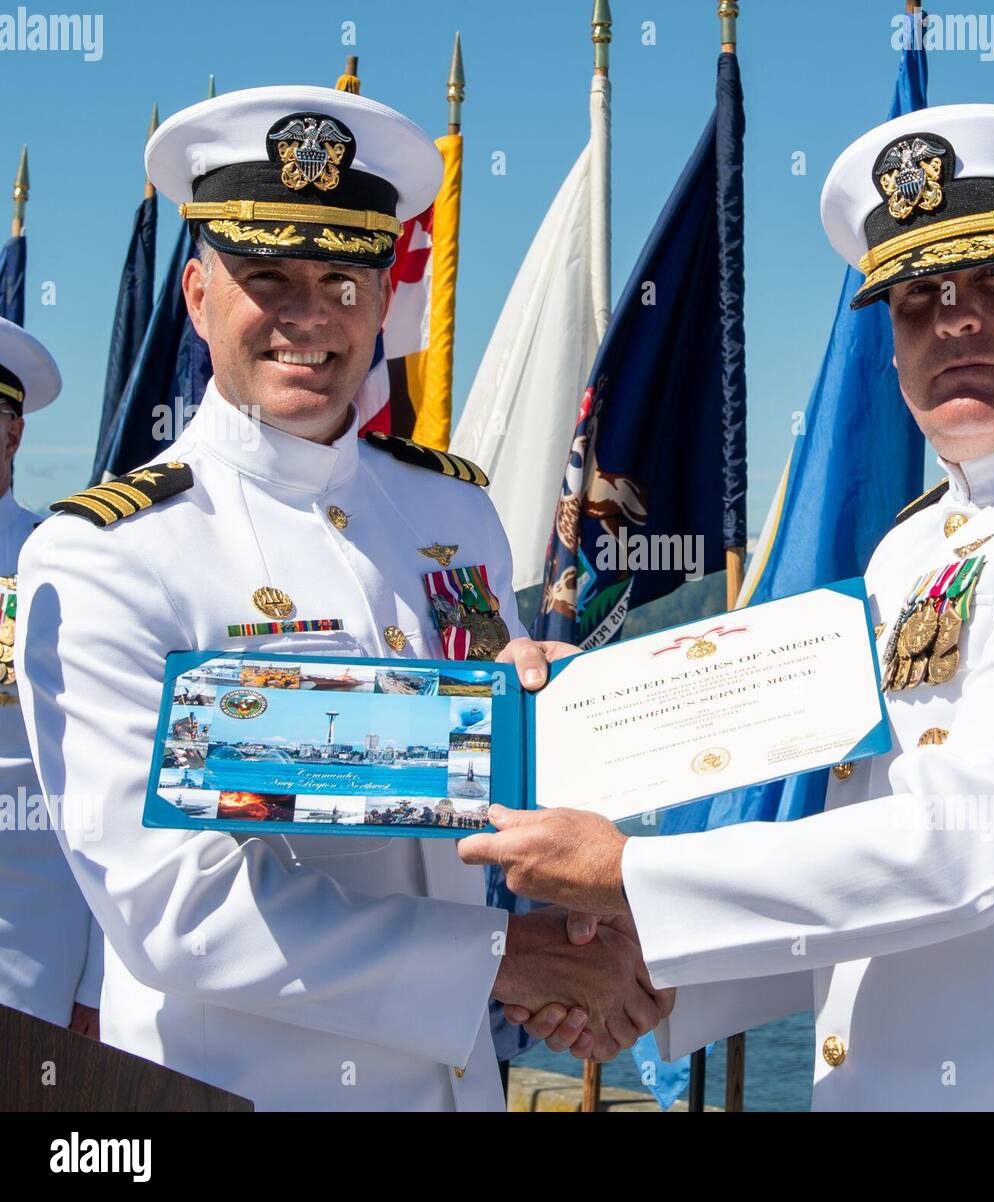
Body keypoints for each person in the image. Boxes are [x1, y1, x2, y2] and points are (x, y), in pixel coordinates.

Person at [459, 104, 994, 1110]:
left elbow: (966, 846)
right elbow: (880, 875)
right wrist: (661, 971)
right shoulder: (911, 546)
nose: (954, 320)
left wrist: (632, 873)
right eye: (915, 298)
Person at [16, 85, 668, 1112]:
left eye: (340, 276)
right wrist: (507, 962)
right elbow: (172, 904)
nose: (306, 315)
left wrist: (596, 895)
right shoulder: (108, 554)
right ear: (196, 295)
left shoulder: (450, 511)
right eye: (265, 275)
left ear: (382, 296)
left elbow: (482, 786)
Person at [0, 316, 102, 1038]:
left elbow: (111, 785)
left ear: (12, 435)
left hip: (25, 952)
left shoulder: (65, 568)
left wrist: (99, 983)